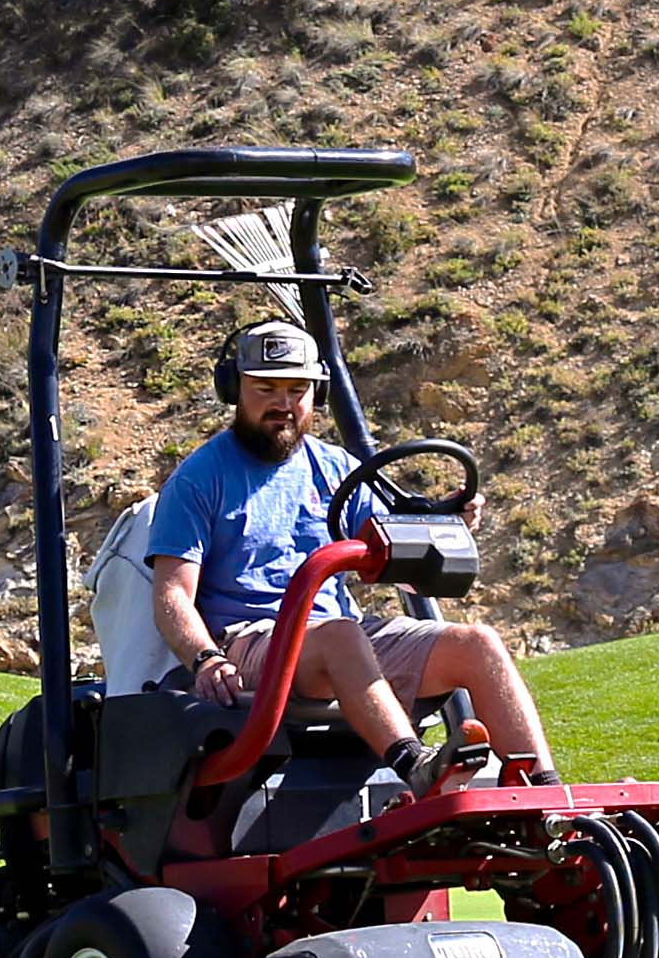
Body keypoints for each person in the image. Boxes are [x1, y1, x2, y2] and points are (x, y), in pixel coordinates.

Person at [144, 320, 559, 790]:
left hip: (339, 639)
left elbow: (399, 560)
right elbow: (173, 595)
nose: (283, 404)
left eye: (297, 390)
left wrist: (446, 526)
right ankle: (418, 770)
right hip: (250, 643)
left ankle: (547, 793)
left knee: (477, 644)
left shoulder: (337, 468)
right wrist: (206, 660)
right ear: (233, 389)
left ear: (316, 396)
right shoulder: (199, 479)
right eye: (266, 389)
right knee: (340, 635)